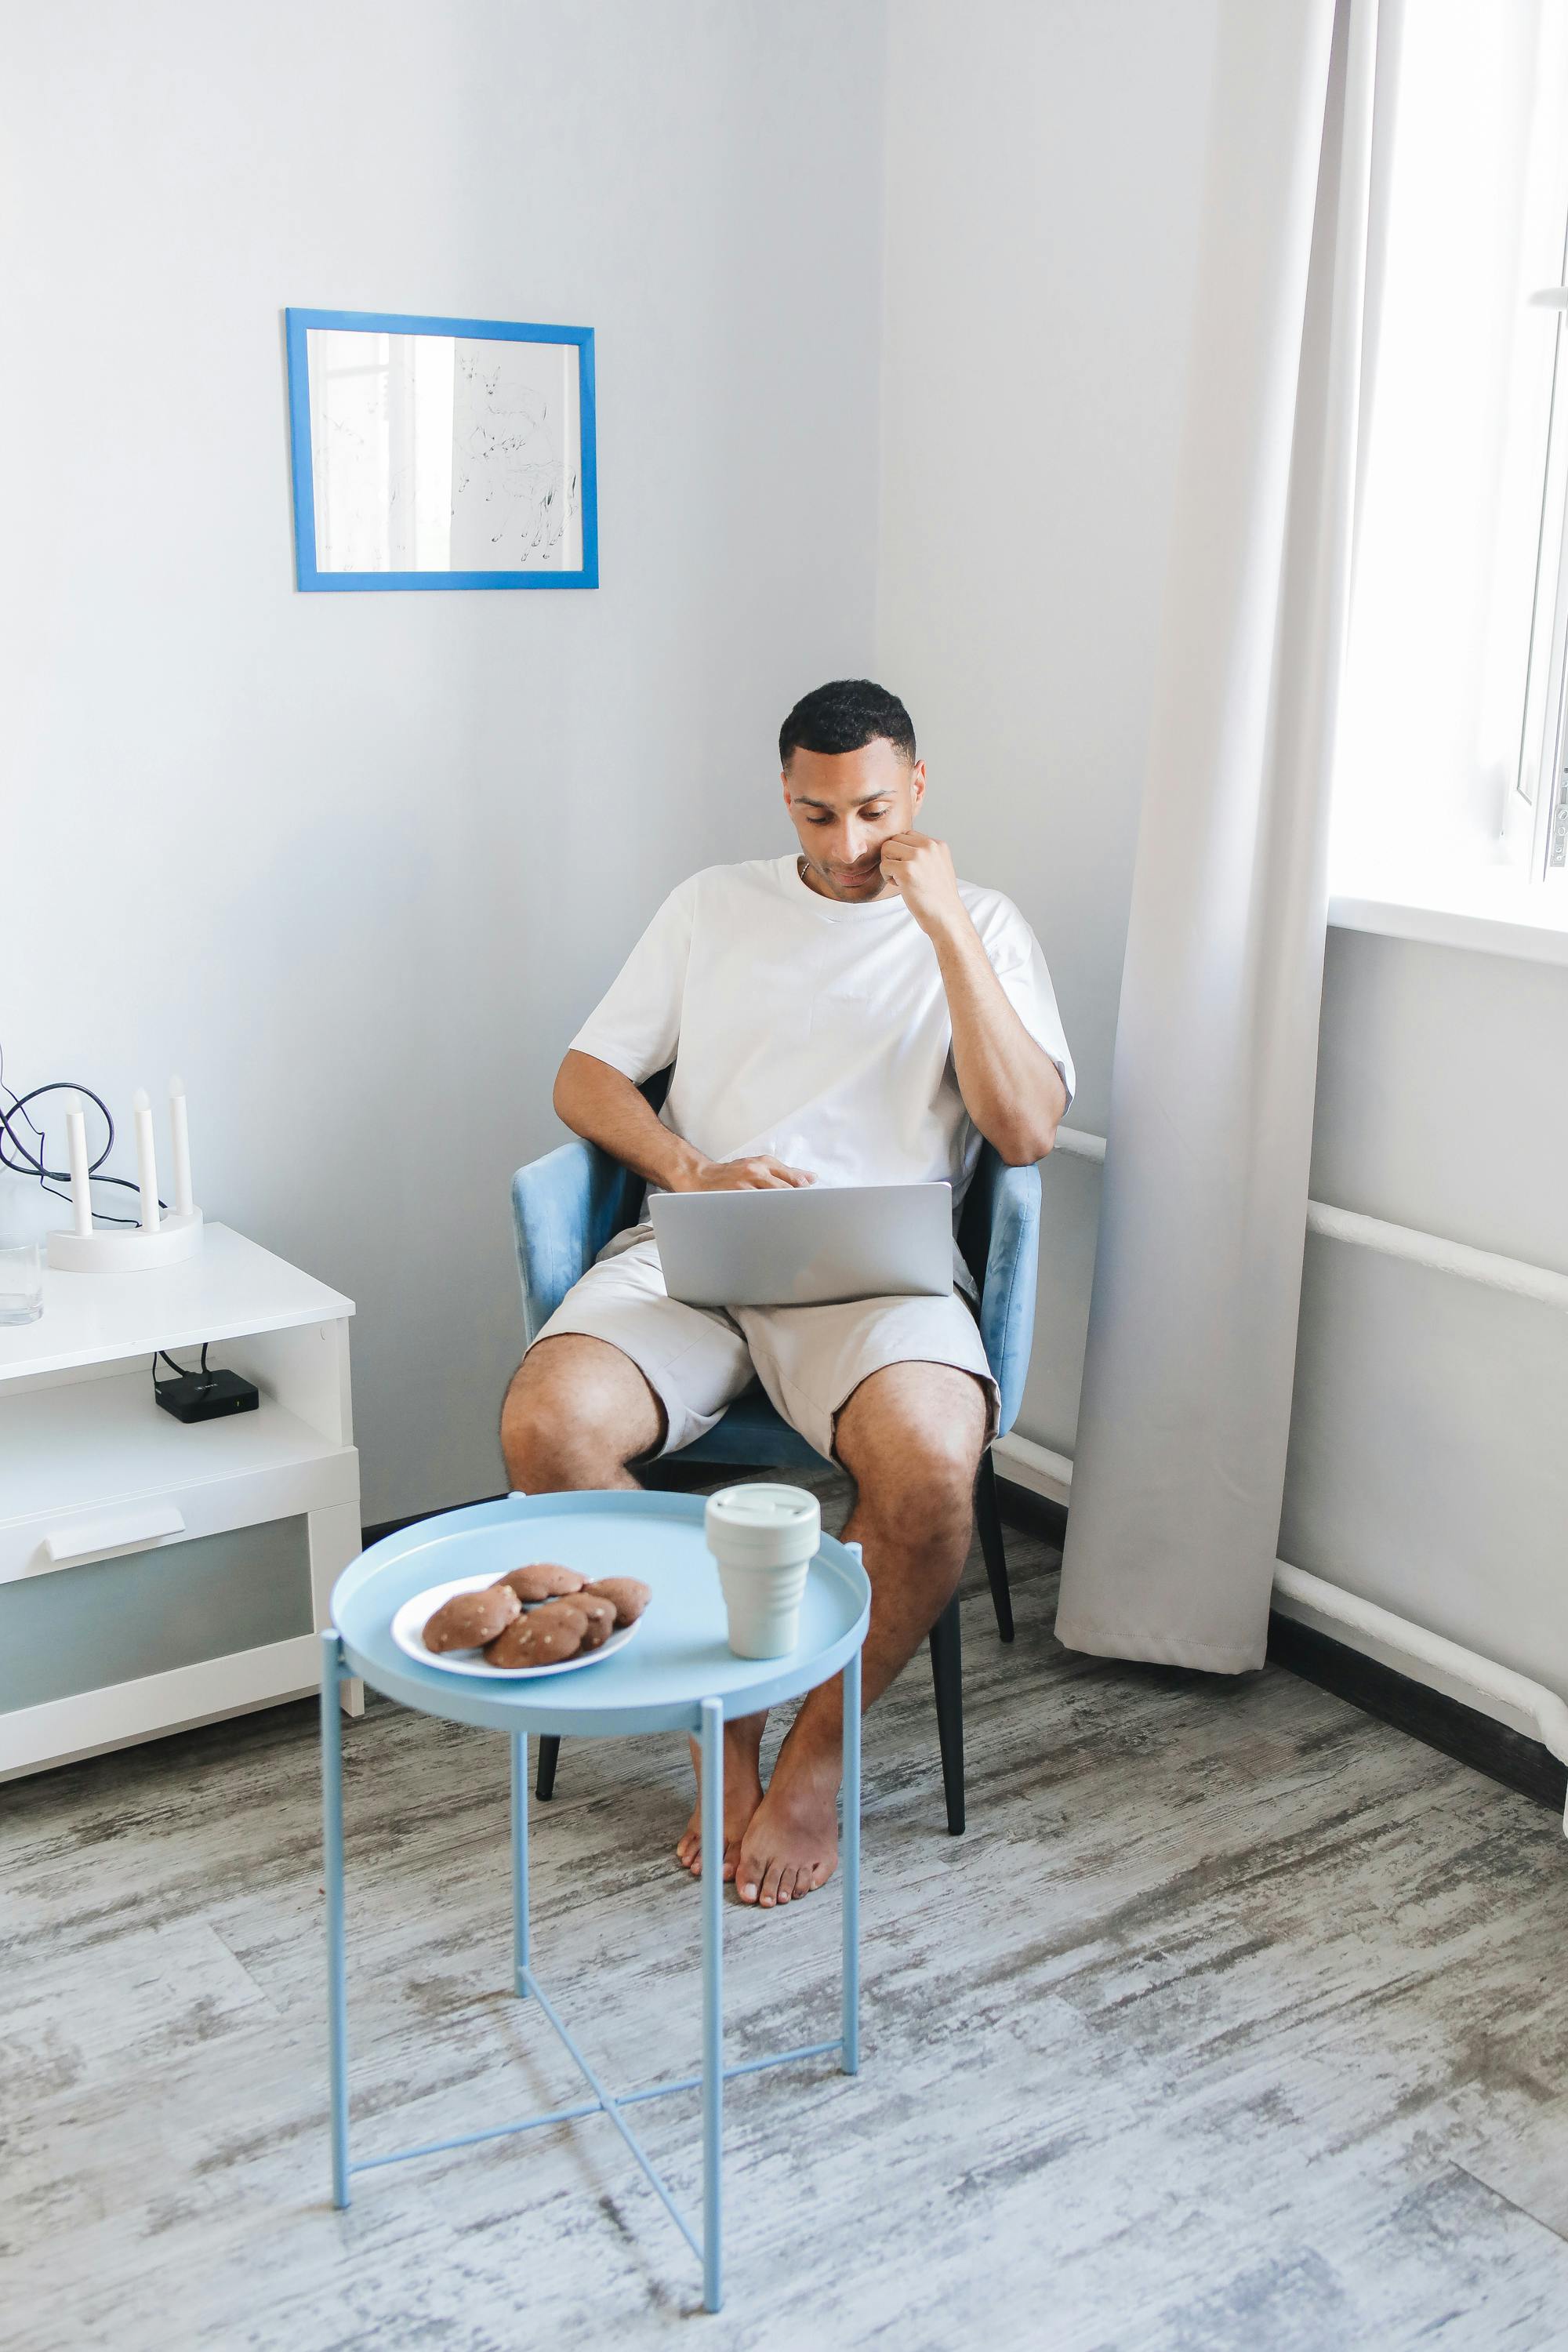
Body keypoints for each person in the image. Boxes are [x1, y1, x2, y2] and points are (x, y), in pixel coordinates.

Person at [500, 679, 1073, 1908]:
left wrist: (947, 931)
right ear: (785, 796)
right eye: (818, 817)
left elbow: (1023, 1132)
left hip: (881, 1275)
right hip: (703, 1244)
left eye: (872, 812)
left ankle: (814, 1759)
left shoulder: (984, 926)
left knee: (927, 1475)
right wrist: (690, 1169)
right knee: (547, 1431)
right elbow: (585, 1077)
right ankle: (726, 1729)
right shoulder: (713, 905)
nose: (848, 846)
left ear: (918, 792)